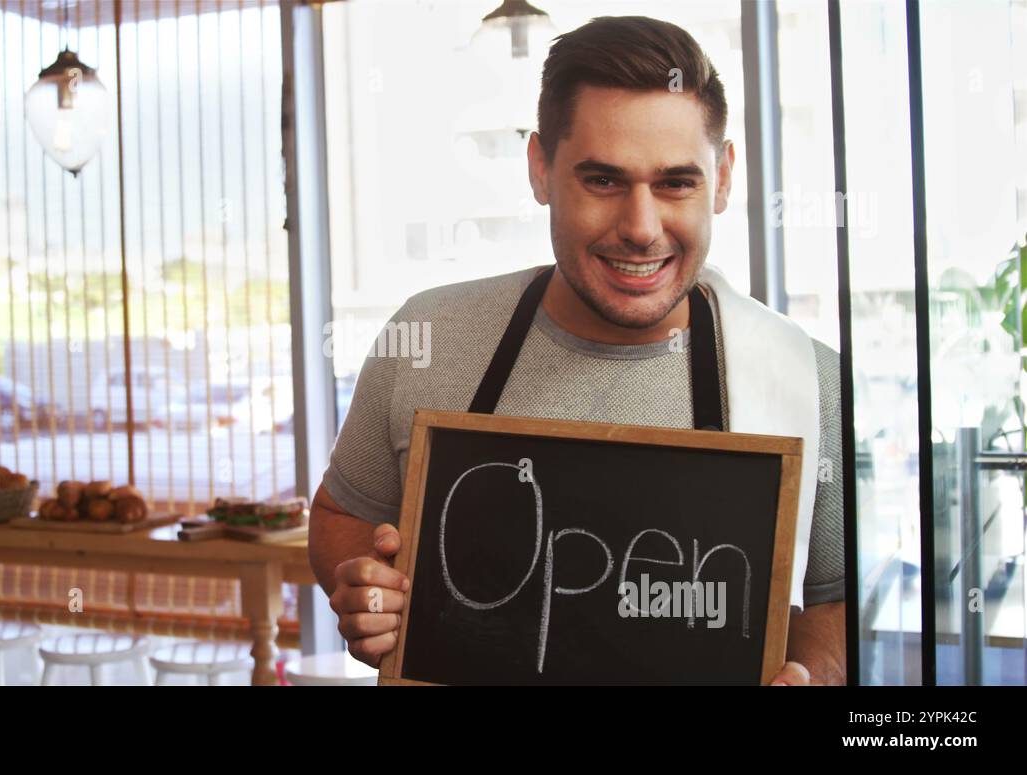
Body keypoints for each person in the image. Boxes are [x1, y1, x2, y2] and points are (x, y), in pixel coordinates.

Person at [308, 15, 845, 685]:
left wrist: (814, 677)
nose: (641, 228)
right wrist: (364, 588)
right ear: (539, 169)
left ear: (725, 176)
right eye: (603, 181)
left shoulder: (806, 378)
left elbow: (829, 601)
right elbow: (341, 512)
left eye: (677, 183)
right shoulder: (425, 337)